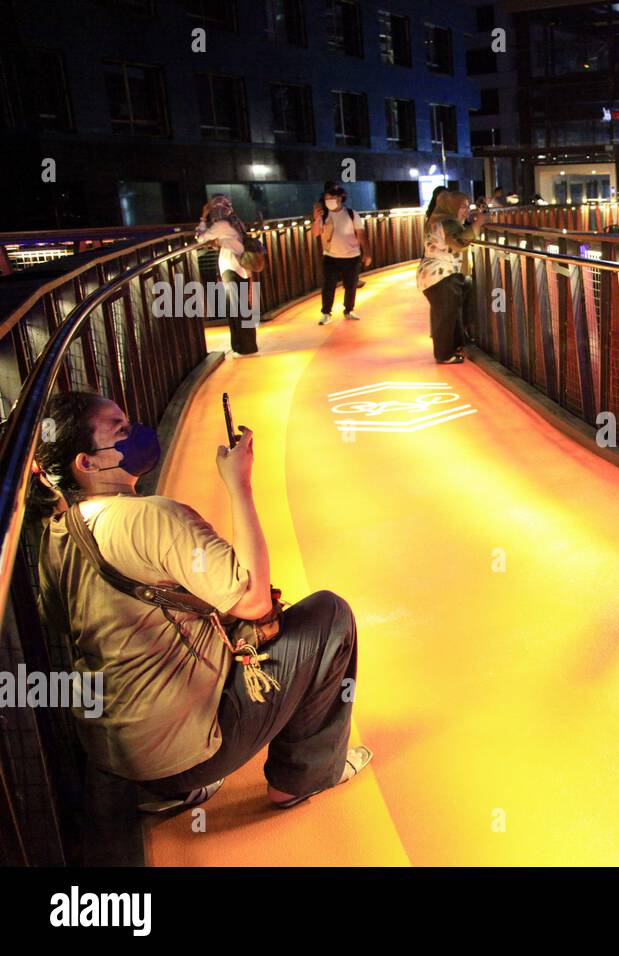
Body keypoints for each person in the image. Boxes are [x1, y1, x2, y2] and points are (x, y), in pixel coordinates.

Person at [31, 391, 373, 812]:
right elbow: (252, 600)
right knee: (328, 615)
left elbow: (57, 618)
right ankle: (303, 778)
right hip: (179, 757)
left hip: (118, 753)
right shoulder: (150, 517)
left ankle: (176, 792)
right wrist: (240, 485)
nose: (135, 432)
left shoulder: (60, 531)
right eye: (120, 429)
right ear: (87, 462)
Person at [418, 190, 481, 363]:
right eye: (462, 206)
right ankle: (444, 354)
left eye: (468, 206)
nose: (466, 210)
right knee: (445, 316)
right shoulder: (446, 222)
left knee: (449, 313)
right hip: (440, 276)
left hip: (438, 275)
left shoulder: (440, 220)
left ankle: (454, 347)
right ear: (451, 206)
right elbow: (459, 243)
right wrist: (478, 225)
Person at [195, 194, 257, 356]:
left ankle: (241, 346)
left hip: (230, 268)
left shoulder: (222, 224)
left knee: (234, 309)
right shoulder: (236, 222)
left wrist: (203, 217)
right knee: (244, 308)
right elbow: (230, 241)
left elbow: (200, 238)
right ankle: (248, 345)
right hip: (243, 268)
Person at [311, 182, 372, 325]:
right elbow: (315, 234)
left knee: (350, 285)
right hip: (330, 256)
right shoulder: (324, 214)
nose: (329, 201)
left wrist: (367, 253)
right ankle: (326, 313)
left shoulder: (351, 214)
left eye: (331, 198)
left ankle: (349, 310)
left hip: (351, 256)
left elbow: (361, 234)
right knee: (328, 286)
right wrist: (316, 219)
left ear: (339, 198)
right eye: (326, 199)